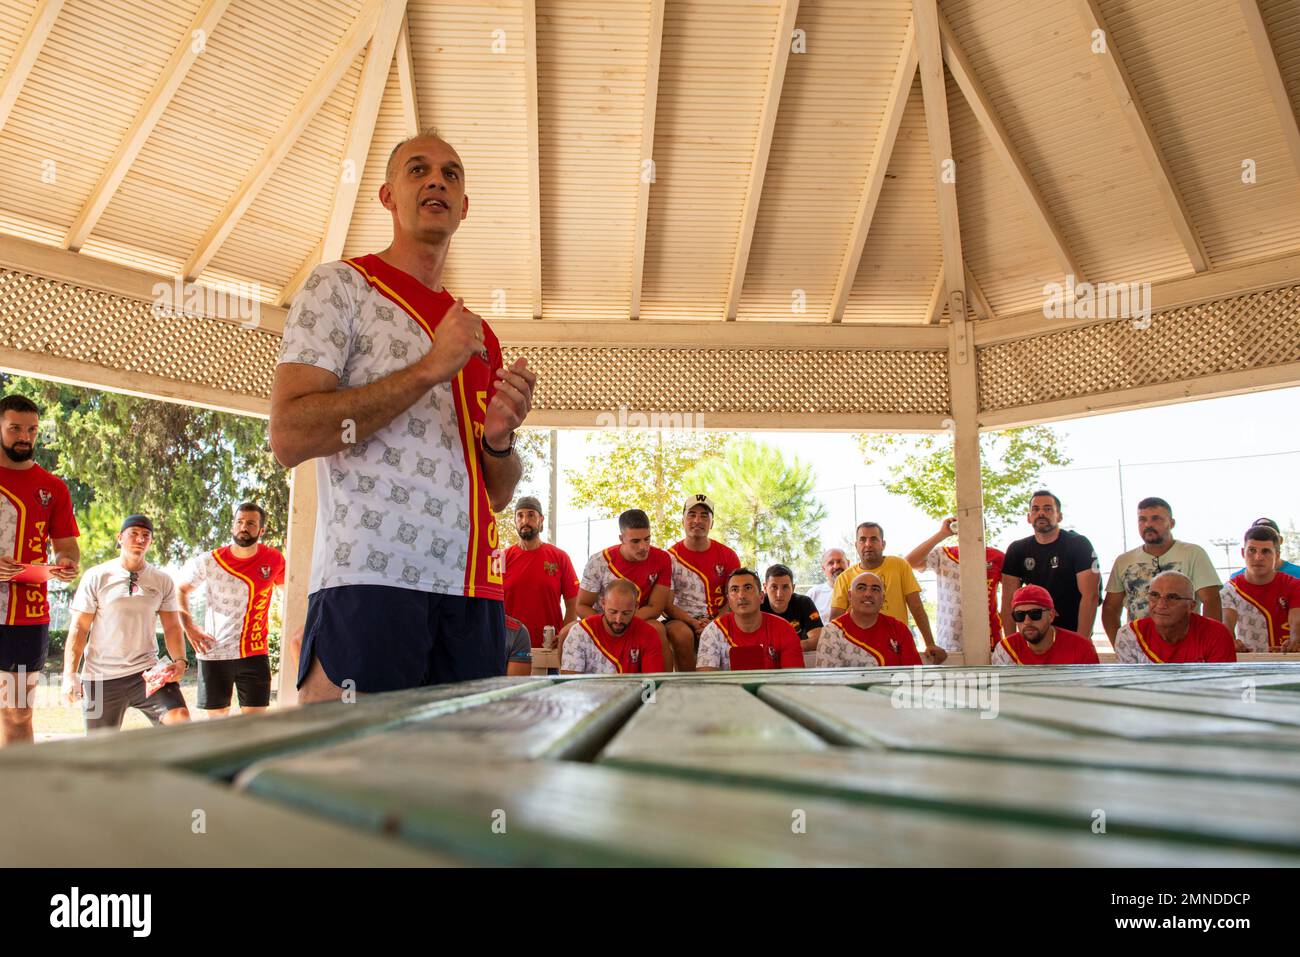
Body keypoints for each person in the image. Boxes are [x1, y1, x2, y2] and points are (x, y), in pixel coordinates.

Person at [270, 130, 536, 702]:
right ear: (388, 196)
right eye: (417, 170)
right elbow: (290, 435)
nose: (436, 179)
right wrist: (427, 370)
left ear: (463, 207)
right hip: (372, 579)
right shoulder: (340, 286)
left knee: (457, 781)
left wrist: (498, 442)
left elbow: (496, 494)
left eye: (450, 173)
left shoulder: (478, 334)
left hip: (474, 592)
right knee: (353, 776)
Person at [0, 394, 80, 746]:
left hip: (27, 615)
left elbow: (66, 547)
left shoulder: (54, 488)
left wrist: (64, 563)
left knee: (19, 712)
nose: (24, 437)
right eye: (15, 427)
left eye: (31, 429)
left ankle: (18, 796)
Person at [62, 515, 191, 732]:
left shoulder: (162, 580)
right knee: (100, 749)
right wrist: (70, 675)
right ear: (120, 538)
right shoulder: (97, 576)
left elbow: (172, 627)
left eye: (145, 536)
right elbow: (79, 628)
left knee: (180, 720)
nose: (140, 539)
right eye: (134, 534)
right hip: (101, 677)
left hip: (146, 672)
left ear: (150, 542)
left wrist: (180, 660)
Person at [176, 502, 285, 719]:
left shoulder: (273, 559)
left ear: (261, 530)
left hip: (254, 652)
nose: (243, 527)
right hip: (215, 652)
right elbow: (179, 590)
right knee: (219, 725)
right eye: (239, 522)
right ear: (232, 526)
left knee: (255, 724)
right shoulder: (209, 561)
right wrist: (188, 626)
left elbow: (290, 592)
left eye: (251, 523)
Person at [1102, 497, 1221, 647]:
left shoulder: (1193, 553)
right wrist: (1120, 646)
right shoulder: (1124, 560)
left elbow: (1211, 600)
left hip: (1186, 646)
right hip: (1140, 648)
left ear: (1171, 523)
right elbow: (1110, 608)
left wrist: (1208, 643)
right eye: (1142, 519)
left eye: (1155, 519)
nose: (1148, 525)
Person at [829, 522, 942, 660]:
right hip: (857, 650)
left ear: (883, 544)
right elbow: (835, 620)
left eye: (874, 539)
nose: (868, 544)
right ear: (856, 545)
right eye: (862, 539)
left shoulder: (900, 566)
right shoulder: (844, 578)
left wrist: (930, 643)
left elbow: (916, 607)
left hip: (895, 646)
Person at [569, 509, 672, 659]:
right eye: (635, 541)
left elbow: (656, 608)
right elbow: (581, 606)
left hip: (639, 619)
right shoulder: (599, 561)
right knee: (567, 632)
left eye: (647, 539)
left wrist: (624, 621)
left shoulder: (662, 559)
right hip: (603, 620)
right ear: (621, 538)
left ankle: (665, 682)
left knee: (658, 629)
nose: (643, 547)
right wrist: (609, 623)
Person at [1001, 491, 1100, 637]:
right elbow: (1008, 599)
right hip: (1034, 638)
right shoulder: (1017, 549)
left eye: (1048, 509)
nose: (1041, 513)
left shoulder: (1079, 544)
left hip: (1071, 634)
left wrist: (1082, 641)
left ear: (1059, 516)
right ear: (1029, 517)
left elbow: (1091, 596)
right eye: (1035, 509)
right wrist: (1011, 645)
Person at [904, 517, 1004, 654]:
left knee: (989, 676)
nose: (970, 531)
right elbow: (909, 563)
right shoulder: (944, 555)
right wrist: (942, 534)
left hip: (989, 637)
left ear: (983, 529)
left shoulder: (997, 557)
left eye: (976, 526)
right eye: (964, 527)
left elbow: (1011, 593)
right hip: (949, 639)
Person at [664, 494, 739, 671]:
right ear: (683, 519)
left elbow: (734, 597)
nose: (697, 520)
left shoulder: (728, 555)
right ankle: (689, 689)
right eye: (692, 514)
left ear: (711, 523)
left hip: (720, 616)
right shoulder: (669, 558)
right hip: (682, 620)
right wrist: (694, 623)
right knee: (680, 634)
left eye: (704, 516)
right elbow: (667, 605)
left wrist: (715, 622)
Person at [816, 572, 943, 668]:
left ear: (882, 598)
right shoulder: (832, 632)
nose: (868, 594)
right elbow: (828, 685)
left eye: (875, 589)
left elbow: (914, 678)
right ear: (849, 596)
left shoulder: (899, 629)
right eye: (861, 588)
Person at [503, 495, 578, 648]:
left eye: (531, 515)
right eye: (520, 515)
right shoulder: (502, 558)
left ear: (541, 519)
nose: (525, 521)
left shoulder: (560, 557)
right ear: (515, 520)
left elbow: (573, 604)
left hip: (548, 648)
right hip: (509, 648)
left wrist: (563, 635)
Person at [1114, 571, 1236, 663]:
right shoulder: (1129, 635)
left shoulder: (1216, 634)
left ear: (1191, 606)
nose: (1161, 605)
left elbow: (1221, 690)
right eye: (1154, 595)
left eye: (1172, 597)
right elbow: (1130, 692)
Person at [697, 569, 804, 671]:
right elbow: (706, 684)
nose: (741, 596)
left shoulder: (784, 629)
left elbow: (793, 680)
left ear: (761, 597)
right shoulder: (713, 632)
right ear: (728, 600)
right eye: (734, 589)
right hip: (727, 690)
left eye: (748, 588)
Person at [1221, 524, 1300, 653]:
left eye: (1266, 551)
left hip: (1289, 662)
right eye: (1252, 550)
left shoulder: (1295, 585)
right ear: (1243, 553)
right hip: (1249, 664)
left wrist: (1295, 642)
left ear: (1277, 555)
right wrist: (1229, 642)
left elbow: (1297, 623)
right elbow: (1226, 623)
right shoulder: (1229, 590)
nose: (1258, 557)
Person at [561, 580, 664, 675]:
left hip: (633, 693)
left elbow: (651, 686)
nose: (618, 619)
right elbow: (570, 687)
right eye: (613, 612)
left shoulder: (648, 633)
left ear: (636, 606)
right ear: (603, 604)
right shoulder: (580, 633)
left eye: (626, 613)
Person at [990, 585, 1099, 665]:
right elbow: (1001, 694)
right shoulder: (1006, 650)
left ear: (1051, 615)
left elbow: (1093, 693)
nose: (1027, 621)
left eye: (1035, 614)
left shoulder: (1081, 648)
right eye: (1019, 615)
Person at [760, 564, 822, 652]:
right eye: (774, 587)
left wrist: (782, 649)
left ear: (793, 588)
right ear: (765, 588)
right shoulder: (757, 605)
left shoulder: (804, 603)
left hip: (796, 655)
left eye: (785, 587)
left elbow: (818, 640)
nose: (779, 594)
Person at [1231, 518, 1300, 578]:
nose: (1259, 557)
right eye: (1257, 535)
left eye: (1271, 536)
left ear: (1280, 540)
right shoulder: (1236, 581)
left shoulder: (1297, 574)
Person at [805, 547, 848, 622]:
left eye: (840, 561)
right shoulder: (813, 594)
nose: (836, 566)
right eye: (831, 563)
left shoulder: (860, 591)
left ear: (848, 563)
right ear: (823, 568)